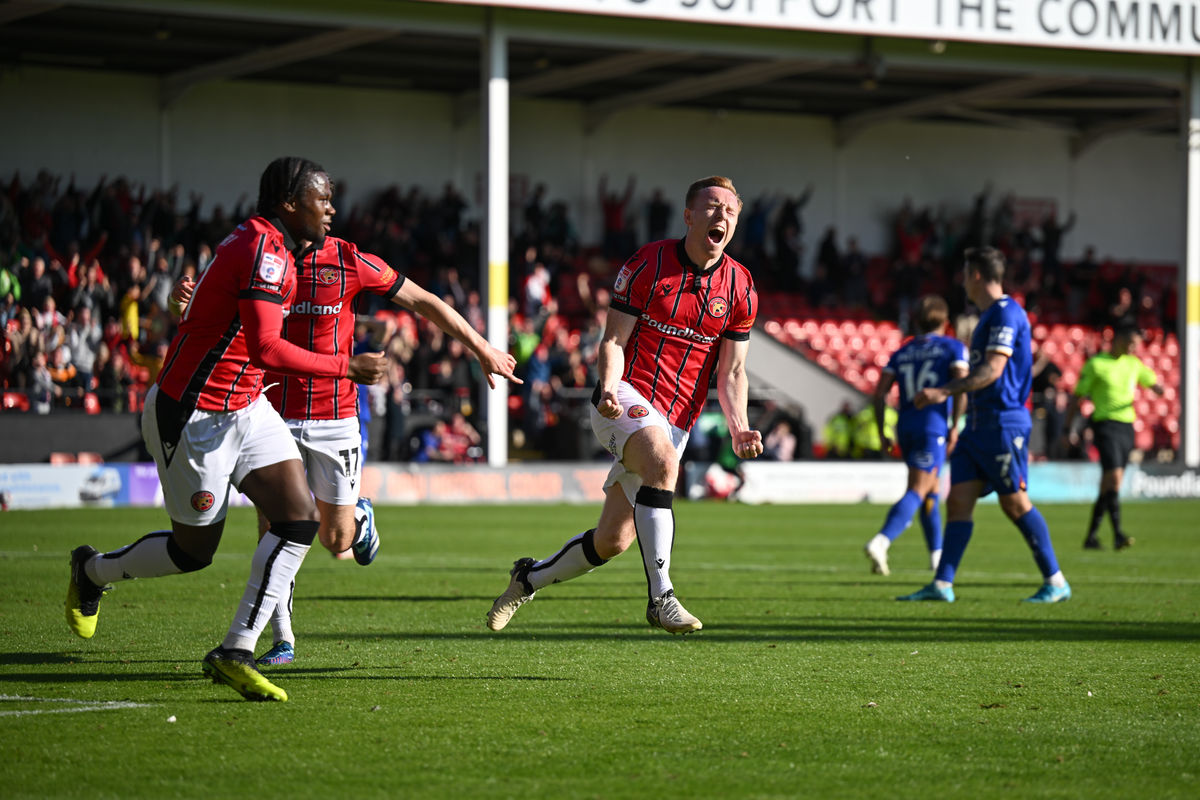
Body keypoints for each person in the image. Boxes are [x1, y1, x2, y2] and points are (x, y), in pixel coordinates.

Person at [64, 157, 389, 702]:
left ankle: (236, 650)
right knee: (193, 553)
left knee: (297, 520)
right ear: (289, 202)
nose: (332, 207)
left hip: (246, 406)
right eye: (322, 198)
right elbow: (265, 347)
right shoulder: (265, 250)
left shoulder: (272, 244)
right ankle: (91, 571)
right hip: (194, 414)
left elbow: (218, 310)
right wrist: (346, 367)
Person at [170, 208, 521, 667]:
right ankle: (282, 639)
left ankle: (359, 517)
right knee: (273, 527)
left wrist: (483, 348)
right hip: (269, 411)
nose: (326, 215)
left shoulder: (351, 262)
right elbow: (220, 322)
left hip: (334, 417)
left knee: (335, 540)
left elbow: (423, 300)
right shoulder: (264, 264)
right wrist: (187, 307)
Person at [487, 176, 762, 634]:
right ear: (688, 216)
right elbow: (613, 339)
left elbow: (732, 372)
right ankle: (663, 598)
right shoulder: (648, 264)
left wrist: (739, 426)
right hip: (624, 395)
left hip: (678, 417)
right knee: (662, 465)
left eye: (731, 211)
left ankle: (528, 578)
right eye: (712, 207)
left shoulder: (740, 285)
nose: (722, 217)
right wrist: (609, 386)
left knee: (612, 540)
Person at [897, 247, 1070, 604]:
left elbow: (992, 370)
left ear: (976, 274)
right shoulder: (989, 315)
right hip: (976, 426)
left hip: (1002, 423)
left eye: (964, 273)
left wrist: (942, 391)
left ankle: (1056, 581)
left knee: (1015, 503)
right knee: (958, 501)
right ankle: (942, 584)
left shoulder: (1007, 313)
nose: (961, 280)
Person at [864, 295, 968, 576]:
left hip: (906, 425)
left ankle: (936, 557)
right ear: (946, 323)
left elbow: (880, 393)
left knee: (931, 490)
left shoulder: (902, 351)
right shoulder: (952, 347)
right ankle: (881, 541)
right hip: (932, 425)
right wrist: (955, 425)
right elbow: (960, 386)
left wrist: (882, 428)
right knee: (919, 490)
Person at [1064, 325, 1163, 550]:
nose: (1134, 348)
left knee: (1108, 483)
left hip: (1127, 426)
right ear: (1118, 339)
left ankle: (1091, 537)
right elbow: (1077, 397)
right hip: (1105, 425)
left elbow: (1153, 382)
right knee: (1115, 478)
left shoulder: (1133, 364)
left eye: (1136, 344)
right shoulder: (1097, 364)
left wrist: (1159, 388)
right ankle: (1118, 533)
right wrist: (1068, 428)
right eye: (1131, 343)